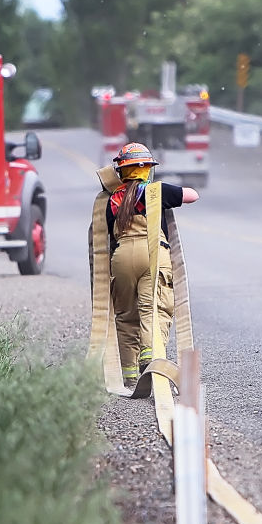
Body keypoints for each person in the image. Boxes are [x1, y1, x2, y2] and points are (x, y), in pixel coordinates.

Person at [107, 142, 199, 387]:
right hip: (152, 254)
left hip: (122, 257)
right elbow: (192, 195)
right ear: (148, 169)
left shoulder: (113, 199)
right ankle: (150, 358)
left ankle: (128, 375)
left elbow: (109, 236)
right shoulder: (156, 192)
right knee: (153, 309)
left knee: (125, 315)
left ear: (122, 171)